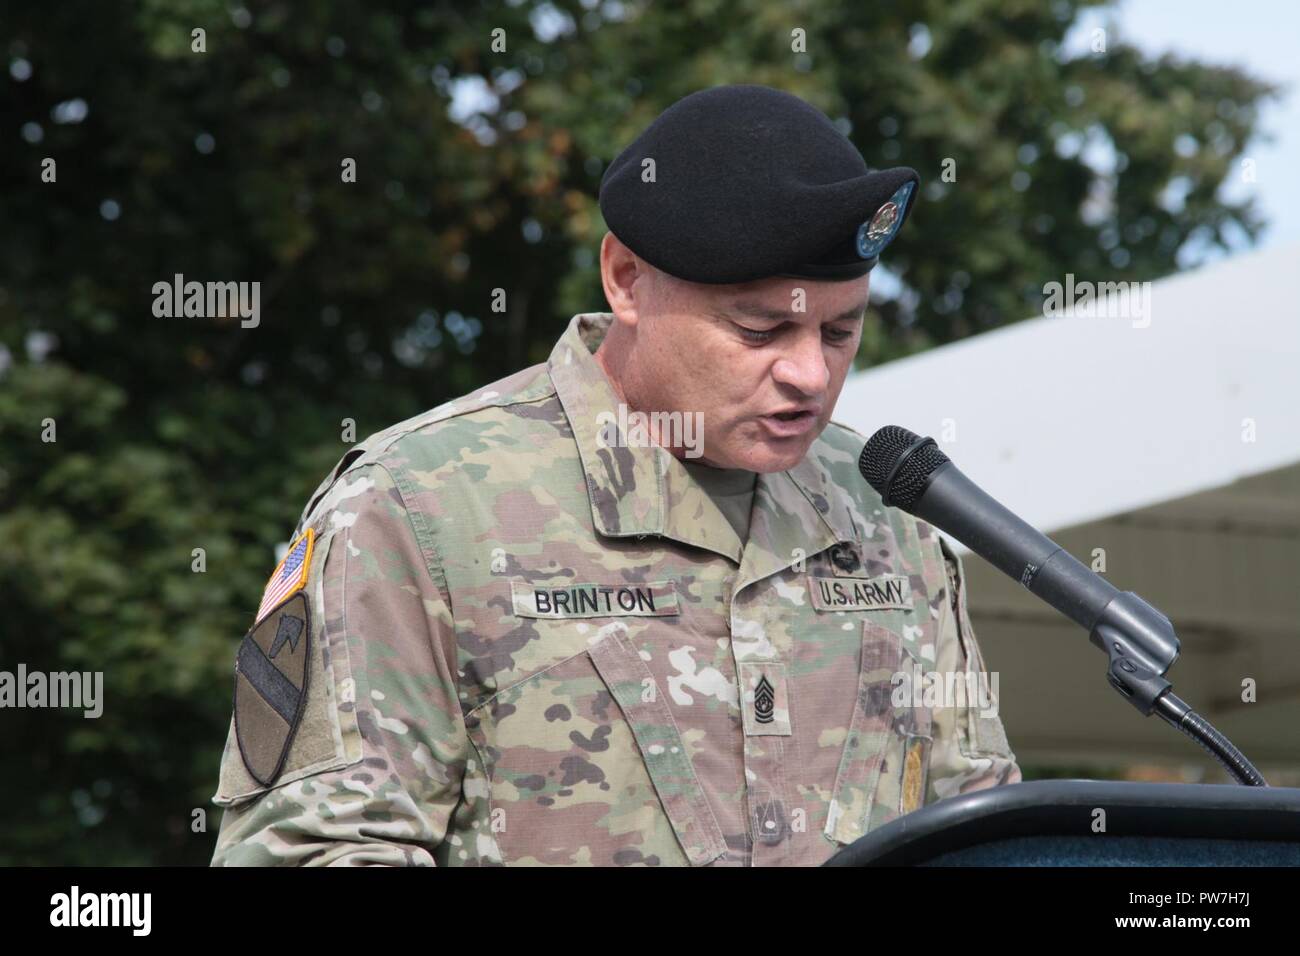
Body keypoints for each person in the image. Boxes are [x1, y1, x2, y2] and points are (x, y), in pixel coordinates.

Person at [210, 83, 1020, 867]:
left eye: (841, 332)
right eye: (761, 329)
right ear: (627, 281)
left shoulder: (884, 511)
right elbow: (312, 852)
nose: (809, 373)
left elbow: (983, 833)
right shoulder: (420, 506)